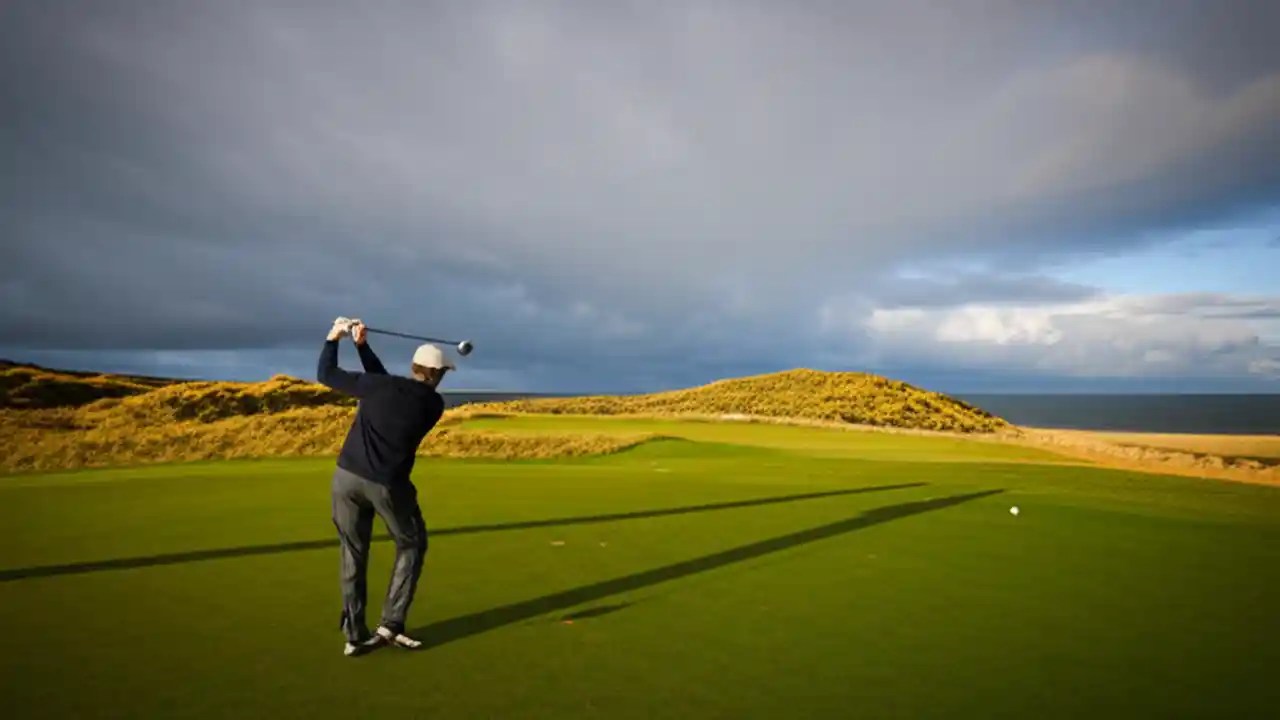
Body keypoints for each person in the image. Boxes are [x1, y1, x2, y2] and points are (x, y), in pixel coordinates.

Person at [317, 316, 454, 657]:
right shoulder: (433, 404)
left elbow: (327, 375)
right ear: (436, 375)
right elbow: (386, 383)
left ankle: (353, 634)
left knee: (353, 552)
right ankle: (391, 624)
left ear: (414, 367)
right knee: (411, 544)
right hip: (387, 486)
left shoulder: (379, 387)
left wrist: (334, 338)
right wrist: (363, 348)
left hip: (345, 478)